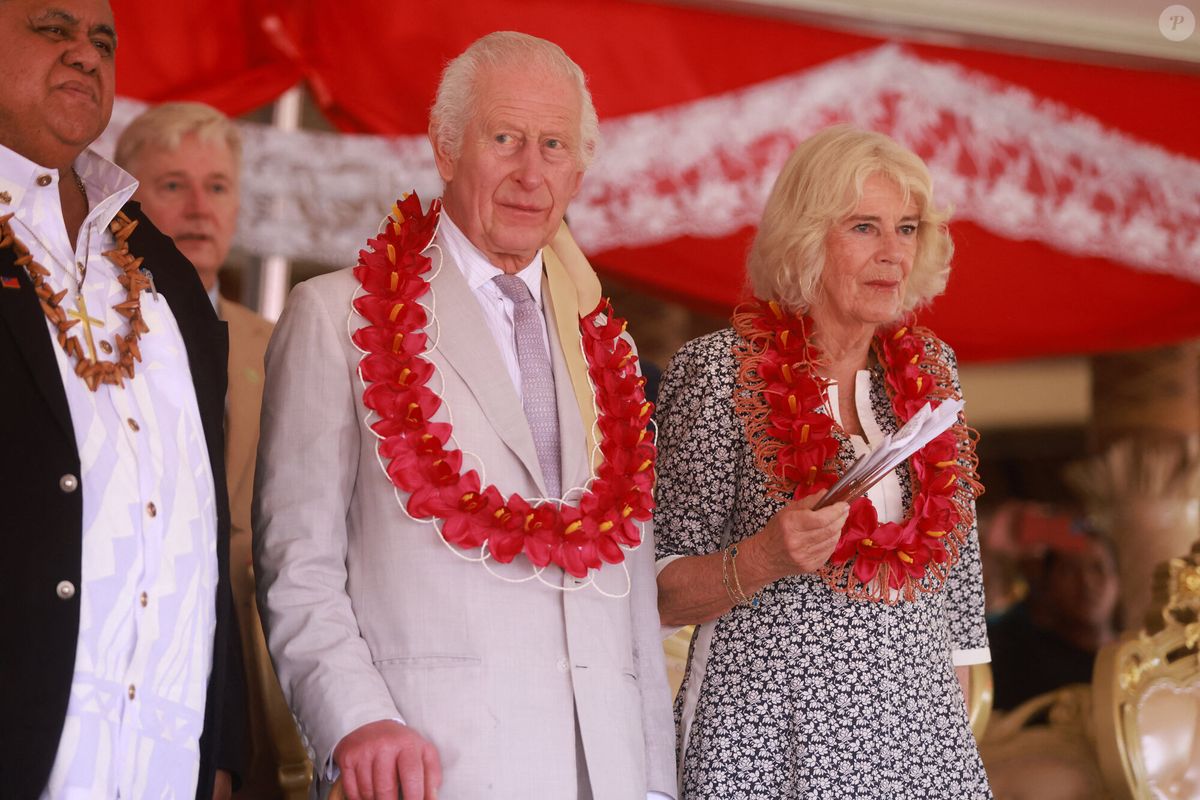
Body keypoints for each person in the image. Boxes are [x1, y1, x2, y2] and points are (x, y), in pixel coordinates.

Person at [253, 31, 676, 800]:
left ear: (579, 173)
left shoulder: (609, 350)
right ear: (445, 150)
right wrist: (354, 720)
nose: (530, 172)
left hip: (607, 775)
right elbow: (296, 565)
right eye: (505, 138)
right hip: (433, 768)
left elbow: (633, 596)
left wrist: (652, 780)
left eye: (554, 146)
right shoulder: (336, 316)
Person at [654, 125, 991, 798]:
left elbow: (955, 597)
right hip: (763, 738)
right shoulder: (719, 373)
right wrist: (762, 559)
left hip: (919, 741)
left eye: (907, 227)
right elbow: (657, 591)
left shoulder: (932, 373)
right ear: (806, 236)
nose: (893, 253)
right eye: (864, 227)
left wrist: (953, 747)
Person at [0, 1, 244, 798]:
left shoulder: (165, 273)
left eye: (101, 40)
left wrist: (224, 744)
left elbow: (205, 528)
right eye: (52, 28)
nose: (84, 53)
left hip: (163, 762)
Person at [114, 103, 293, 797]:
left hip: (265, 679)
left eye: (216, 186)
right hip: (137, 671)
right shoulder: (87, 341)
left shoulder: (284, 344)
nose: (198, 207)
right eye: (171, 185)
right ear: (124, 201)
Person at [988, 516, 1118, 710]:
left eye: (1098, 568)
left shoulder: (1137, 657)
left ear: (1118, 581)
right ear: (1048, 584)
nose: (1086, 583)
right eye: (1070, 570)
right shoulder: (1021, 663)